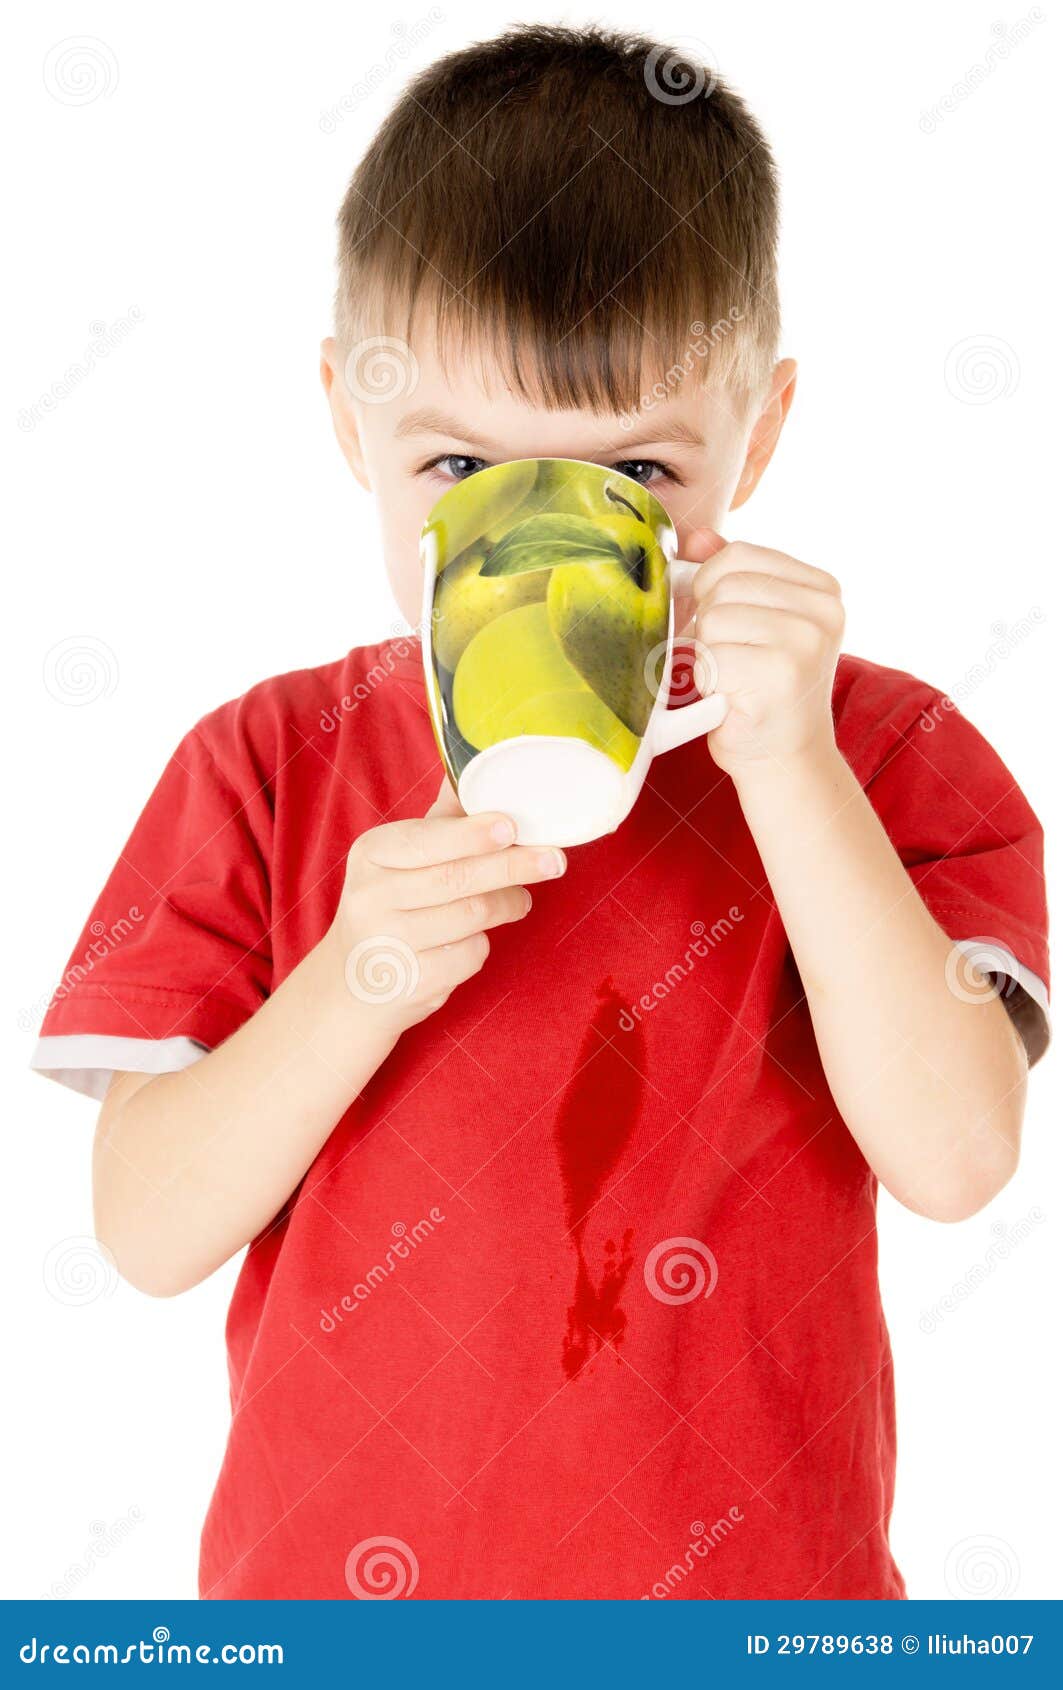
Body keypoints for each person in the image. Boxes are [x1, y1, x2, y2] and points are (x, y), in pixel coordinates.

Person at [32, 24, 1049, 1599]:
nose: (543, 544)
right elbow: (149, 1233)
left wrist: (795, 773)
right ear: (347, 421)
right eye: (458, 466)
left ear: (758, 438)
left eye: (636, 473)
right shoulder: (267, 759)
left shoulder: (882, 744)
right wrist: (355, 974)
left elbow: (960, 1156)